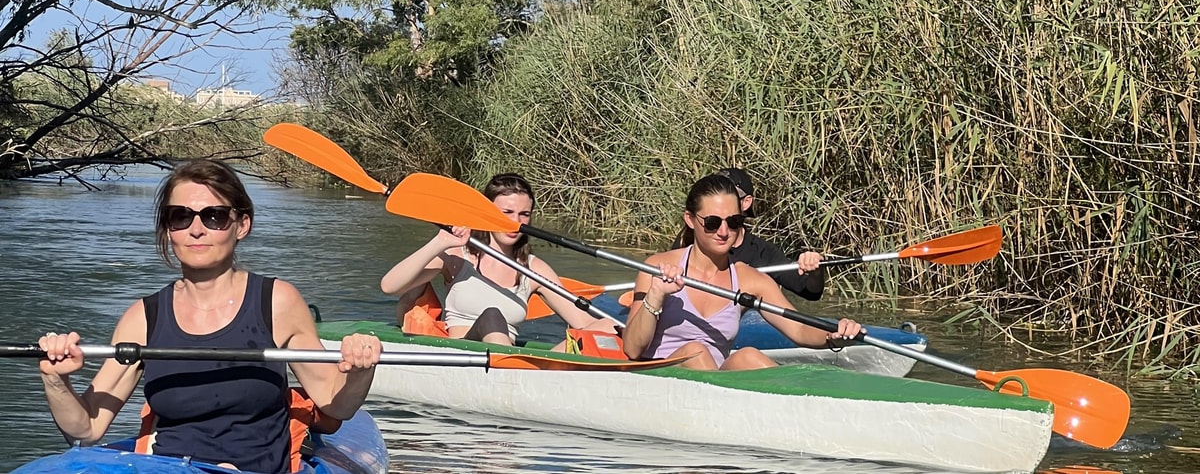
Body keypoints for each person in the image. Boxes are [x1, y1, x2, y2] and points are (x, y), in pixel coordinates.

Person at [37, 159, 381, 473]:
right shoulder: (142, 317)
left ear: (241, 225)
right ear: (168, 229)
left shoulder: (278, 302)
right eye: (180, 216)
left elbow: (335, 405)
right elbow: (87, 428)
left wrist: (360, 370)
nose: (196, 229)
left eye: (214, 216)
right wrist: (56, 380)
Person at [625, 173, 862, 370]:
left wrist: (833, 335)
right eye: (712, 223)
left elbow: (799, 328)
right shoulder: (657, 266)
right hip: (659, 375)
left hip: (715, 380)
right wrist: (656, 295)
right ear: (690, 219)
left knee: (749, 356)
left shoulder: (750, 278)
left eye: (734, 222)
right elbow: (632, 349)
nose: (724, 232)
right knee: (697, 351)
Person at [381, 173, 613, 346]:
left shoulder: (534, 269)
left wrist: (623, 325)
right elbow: (390, 286)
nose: (515, 222)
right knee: (492, 316)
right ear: (487, 213)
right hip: (461, 355)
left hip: (506, 360)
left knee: (606, 325)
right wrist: (440, 242)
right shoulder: (457, 256)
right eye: (507, 213)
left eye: (524, 214)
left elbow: (584, 323)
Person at [673, 167, 825, 300]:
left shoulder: (762, 253)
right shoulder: (692, 237)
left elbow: (810, 292)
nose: (722, 232)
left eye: (729, 194)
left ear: (746, 202)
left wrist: (816, 271)